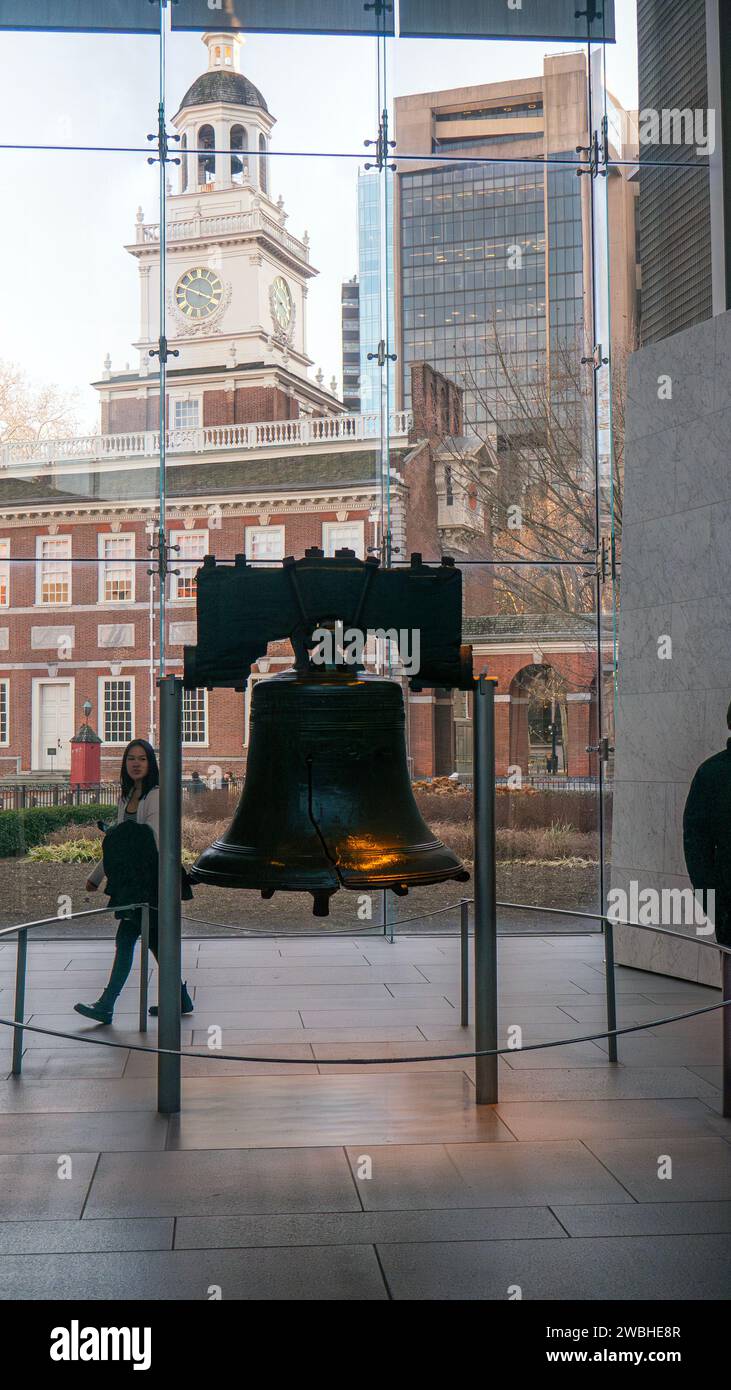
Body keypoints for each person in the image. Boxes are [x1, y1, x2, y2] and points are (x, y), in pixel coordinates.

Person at [74, 738, 194, 1025]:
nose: (136, 763)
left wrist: (119, 832)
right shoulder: (125, 798)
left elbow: (149, 838)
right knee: (153, 941)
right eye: (131, 759)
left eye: (142, 758)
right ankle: (180, 998)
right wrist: (96, 876)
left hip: (152, 879)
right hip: (134, 879)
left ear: (150, 763)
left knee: (126, 937)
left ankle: (106, 1003)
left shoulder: (157, 794)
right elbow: (118, 845)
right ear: (125, 764)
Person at [683, 702, 731, 947]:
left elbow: (696, 846)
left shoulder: (711, 773)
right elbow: (697, 846)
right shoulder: (713, 775)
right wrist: (715, 905)